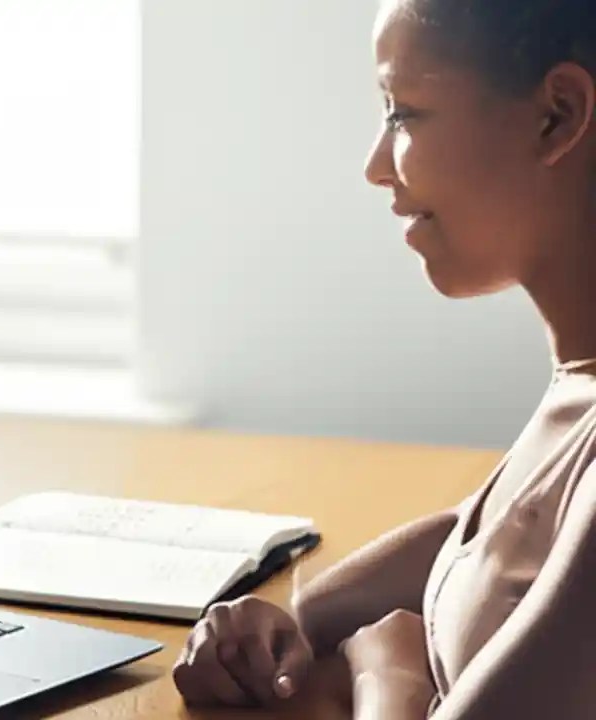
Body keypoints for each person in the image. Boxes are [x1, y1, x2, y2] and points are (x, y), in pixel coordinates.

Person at [171, 1, 596, 718]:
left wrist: (387, 666)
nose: (374, 167)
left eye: (403, 113)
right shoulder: (580, 380)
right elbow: (494, 535)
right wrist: (297, 621)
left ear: (556, 116)